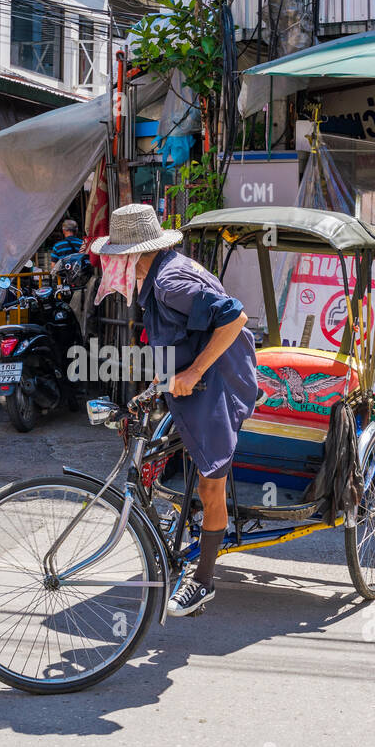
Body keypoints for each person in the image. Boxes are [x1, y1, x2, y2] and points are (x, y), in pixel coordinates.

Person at [92, 204, 257, 617]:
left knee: (209, 484)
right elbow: (181, 335)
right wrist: (158, 384)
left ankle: (203, 582)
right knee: (169, 462)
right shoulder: (159, 277)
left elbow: (236, 316)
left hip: (218, 382)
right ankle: (185, 542)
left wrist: (196, 370)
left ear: (133, 255)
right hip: (192, 380)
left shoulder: (169, 282)